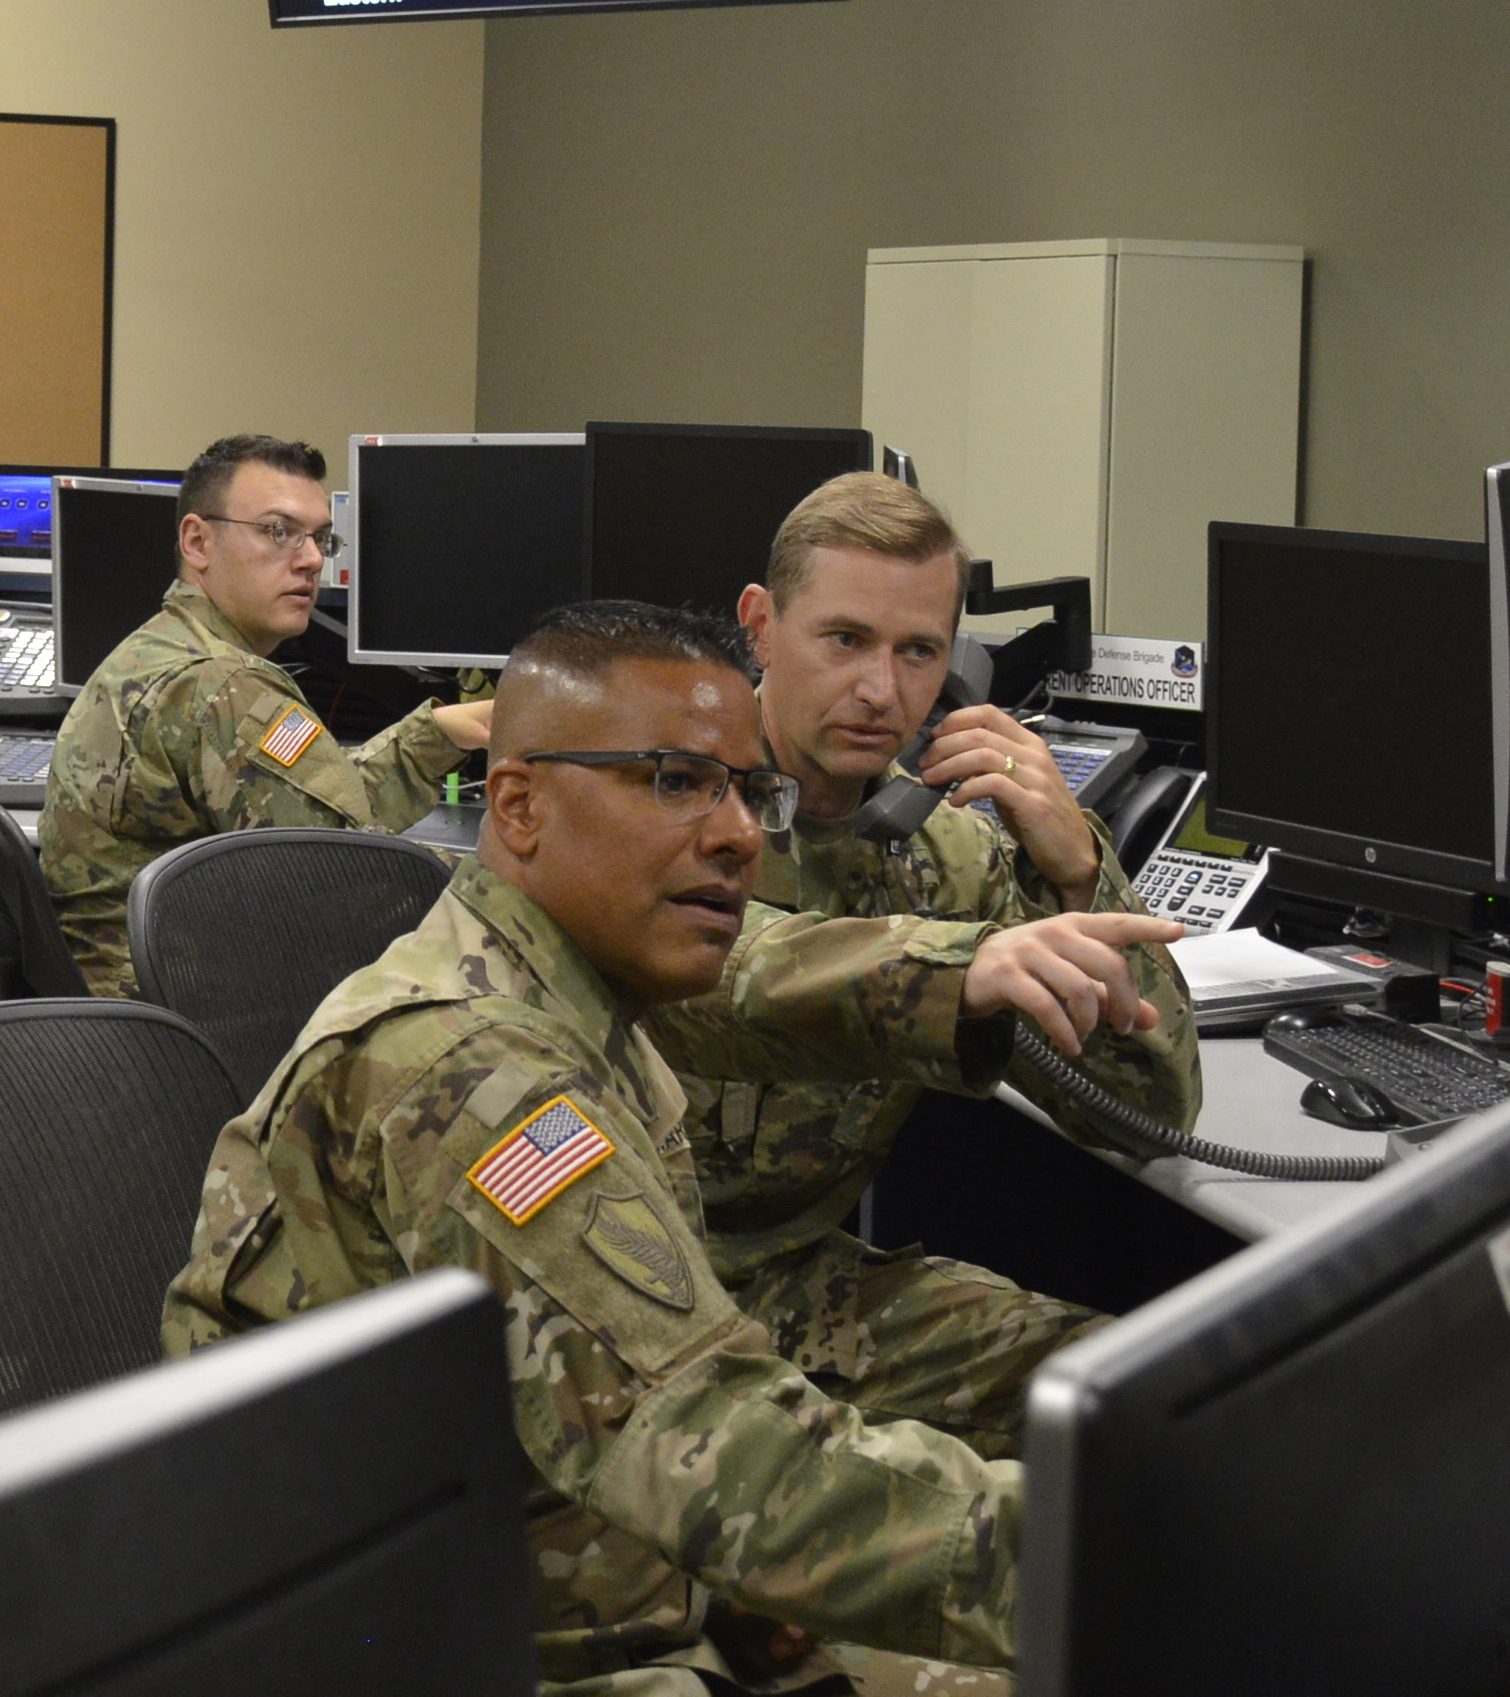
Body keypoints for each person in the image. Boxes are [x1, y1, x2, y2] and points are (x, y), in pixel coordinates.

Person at [164, 601, 1183, 1693]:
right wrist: (1165, 1561)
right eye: (675, 781)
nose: (741, 832)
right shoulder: (472, 1070)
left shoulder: (573, 996)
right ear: (517, 806)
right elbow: (718, 1451)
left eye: (749, 789)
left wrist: (731, 1598)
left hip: (552, 1573)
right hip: (434, 1643)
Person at [693, 473, 1201, 1455]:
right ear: (761, 627)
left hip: (787, 1287)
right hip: (612, 1283)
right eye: (844, 640)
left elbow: (1152, 1115)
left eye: (918, 651)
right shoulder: (653, 787)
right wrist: (955, 974)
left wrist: (1076, 866)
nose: (883, 691)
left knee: (1131, 1406)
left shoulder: (944, 855)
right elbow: (727, 974)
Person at [40, 432, 489, 997]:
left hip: (135, 993)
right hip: (197, 1011)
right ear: (198, 542)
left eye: (320, 538)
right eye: (278, 532)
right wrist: (522, 873)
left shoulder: (163, 647)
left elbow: (320, 814)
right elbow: (358, 875)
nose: (310, 559)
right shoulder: (224, 687)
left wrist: (440, 734)